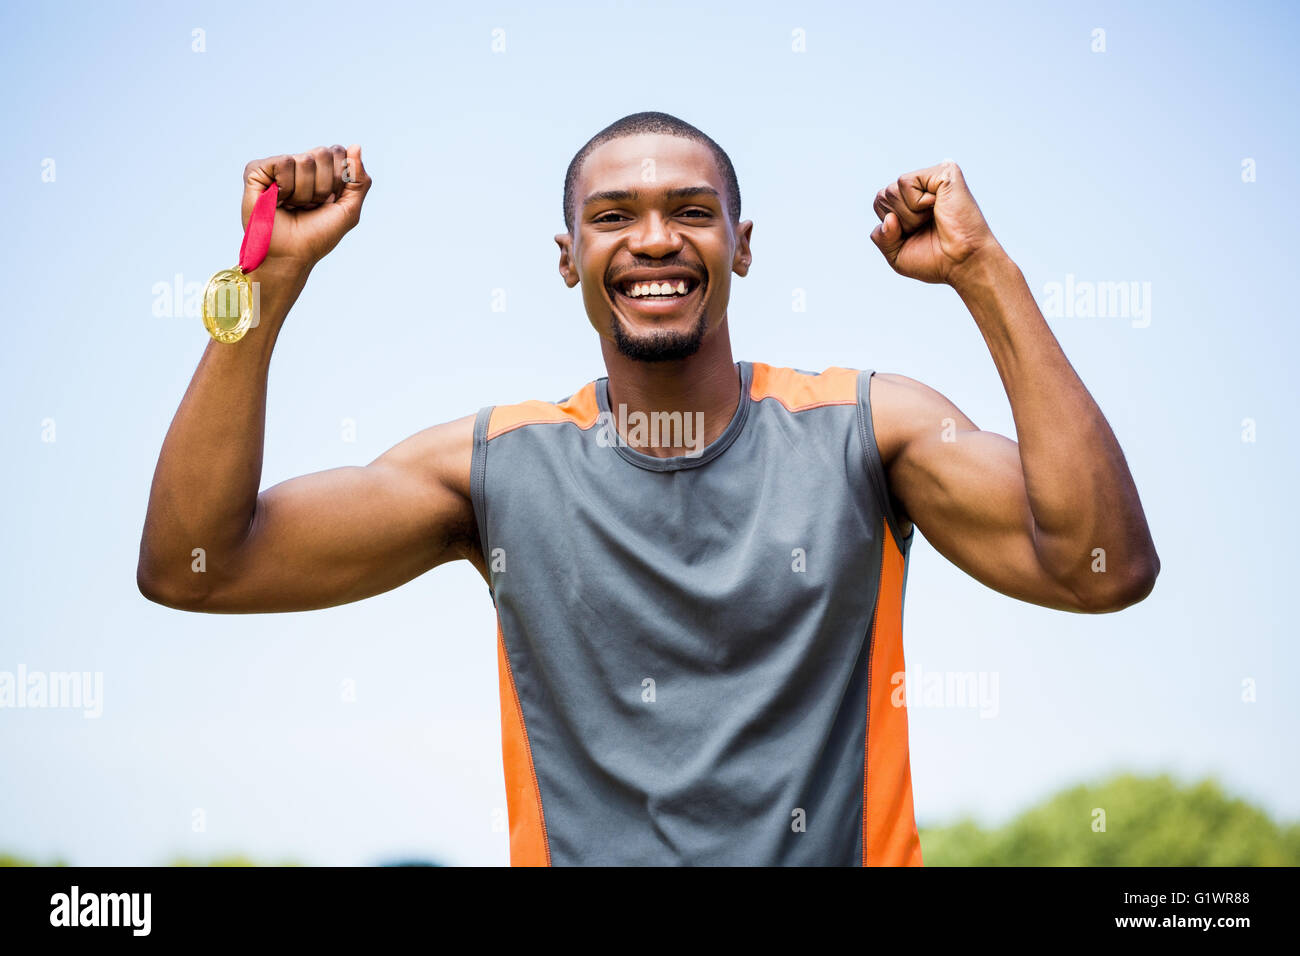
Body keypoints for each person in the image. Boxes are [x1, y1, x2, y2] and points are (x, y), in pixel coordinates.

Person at [137, 112, 1160, 866]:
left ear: (742, 247)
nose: (656, 238)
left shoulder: (869, 429)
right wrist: (263, 283)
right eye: (614, 215)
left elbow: (1100, 568)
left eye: (692, 212)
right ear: (568, 257)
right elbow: (196, 566)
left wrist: (985, 271)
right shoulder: (496, 467)